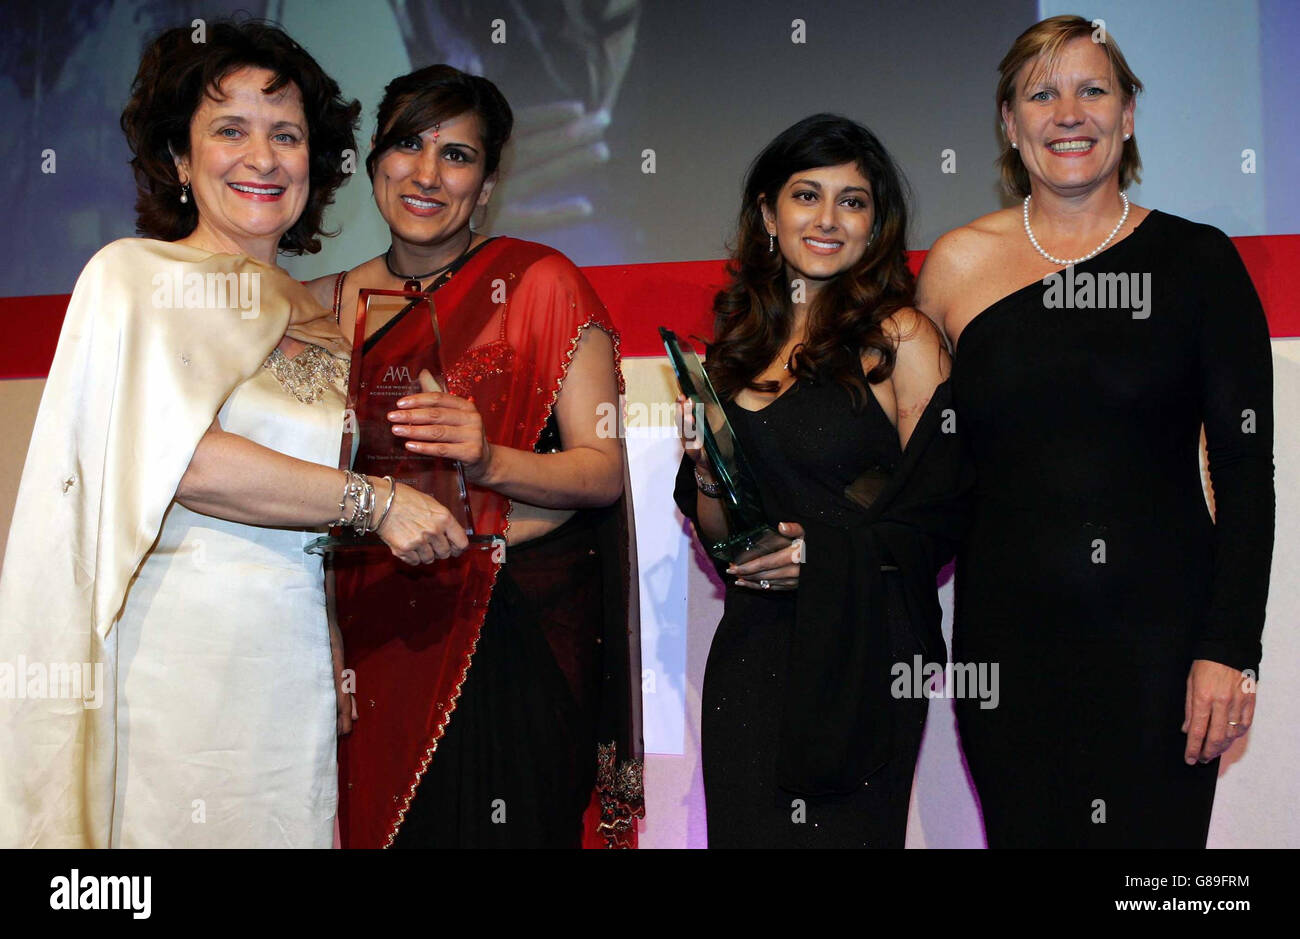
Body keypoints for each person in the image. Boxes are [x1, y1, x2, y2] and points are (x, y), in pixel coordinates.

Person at [0, 20, 467, 849]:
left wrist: (328, 630)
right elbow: (185, 459)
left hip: (286, 669)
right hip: (173, 662)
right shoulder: (132, 276)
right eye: (229, 130)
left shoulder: (318, 319)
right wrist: (378, 500)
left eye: (286, 134)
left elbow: (306, 506)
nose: (262, 156)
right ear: (179, 160)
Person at [915, 15, 1274, 847]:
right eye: (1041, 93)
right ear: (1009, 123)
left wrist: (1230, 647)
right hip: (1008, 655)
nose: (1067, 112)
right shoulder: (955, 268)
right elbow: (916, 472)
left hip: (1163, 654)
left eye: (1092, 89)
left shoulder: (1200, 264)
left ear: (1129, 114)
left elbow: (1246, 477)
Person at [307, 64, 643, 849]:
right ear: (373, 160)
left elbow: (600, 471)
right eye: (407, 145)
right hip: (366, 635)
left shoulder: (537, 282)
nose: (427, 174)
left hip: (501, 635)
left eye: (457, 156)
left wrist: (487, 457)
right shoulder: (318, 307)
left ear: (487, 184)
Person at [673, 114, 971, 847]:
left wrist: (821, 554)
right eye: (807, 195)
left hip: (862, 656)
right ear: (769, 214)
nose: (829, 219)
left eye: (854, 200)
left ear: (876, 225)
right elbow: (724, 545)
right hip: (751, 658)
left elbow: (942, 512)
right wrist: (710, 476)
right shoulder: (732, 354)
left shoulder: (902, 338)